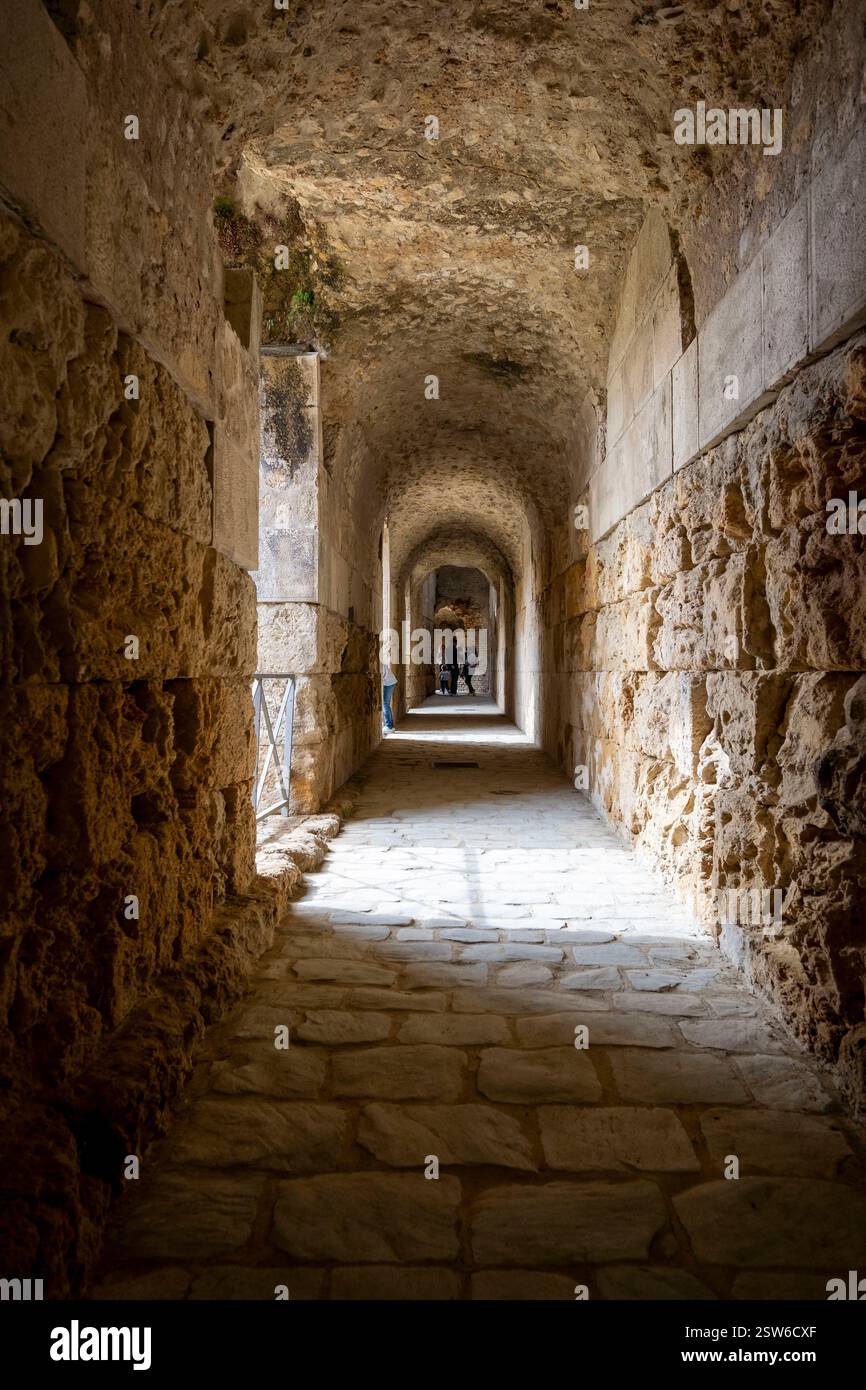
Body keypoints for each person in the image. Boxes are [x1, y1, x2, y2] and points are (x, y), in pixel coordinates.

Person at [382, 663, 398, 731]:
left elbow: (381, 677)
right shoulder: (379, 664)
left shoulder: (379, 665)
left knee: (385, 704)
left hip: (389, 683)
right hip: (389, 682)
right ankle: (390, 725)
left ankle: (389, 726)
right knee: (386, 704)